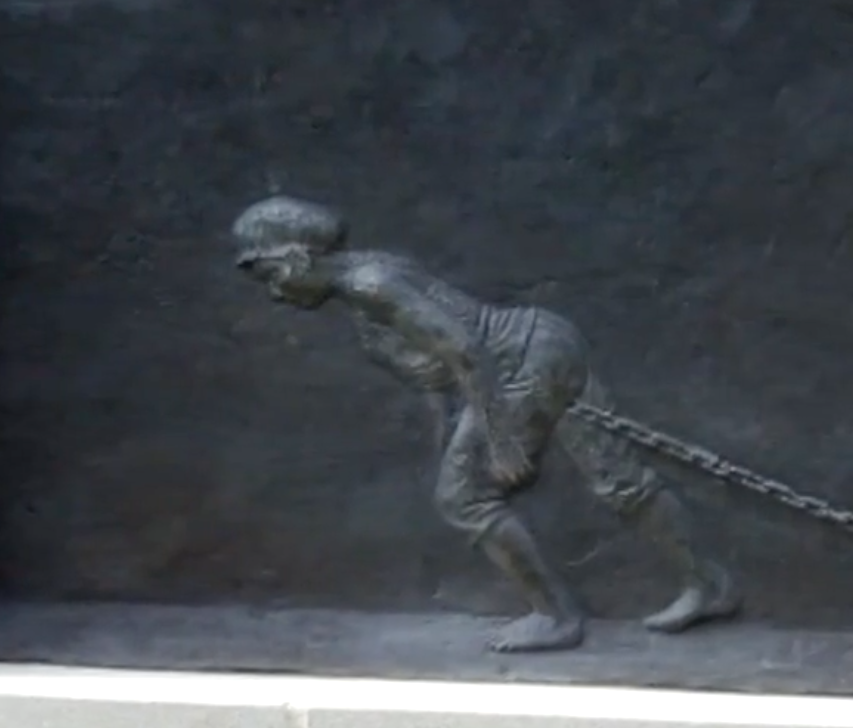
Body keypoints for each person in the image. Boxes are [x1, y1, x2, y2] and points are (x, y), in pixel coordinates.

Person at [231, 197, 740, 652]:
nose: (274, 293)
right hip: (542, 342)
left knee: (464, 499)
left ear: (297, 257)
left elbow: (465, 350)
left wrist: (499, 441)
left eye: (269, 275)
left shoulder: (371, 285)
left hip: (516, 363)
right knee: (619, 481)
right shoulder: (365, 282)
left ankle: (555, 616)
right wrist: (445, 436)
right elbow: (434, 375)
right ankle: (709, 585)